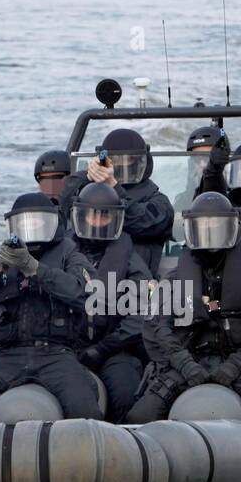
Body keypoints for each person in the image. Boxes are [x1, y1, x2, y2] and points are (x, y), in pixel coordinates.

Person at [126, 192, 241, 424]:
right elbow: (158, 327)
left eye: (218, 226)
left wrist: (235, 365)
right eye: (205, 227)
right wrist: (186, 365)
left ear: (232, 228)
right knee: (138, 417)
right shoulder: (174, 279)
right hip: (188, 361)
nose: (211, 234)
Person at [0, 192, 101, 424]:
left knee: (84, 409)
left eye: (37, 222)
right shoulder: (8, 256)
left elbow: (85, 294)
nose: (31, 227)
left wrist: (34, 269)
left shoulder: (70, 254)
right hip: (8, 354)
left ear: (52, 222)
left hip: (56, 354)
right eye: (25, 223)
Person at [70, 181, 151, 422]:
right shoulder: (63, 253)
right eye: (91, 216)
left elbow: (143, 313)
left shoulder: (130, 261)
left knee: (126, 392)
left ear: (115, 219)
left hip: (113, 347)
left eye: (104, 217)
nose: (96, 222)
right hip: (66, 346)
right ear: (79, 216)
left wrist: (103, 348)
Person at [61, 128, 174, 275]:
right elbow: (64, 206)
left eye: (129, 160)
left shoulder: (157, 201)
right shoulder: (89, 189)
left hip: (133, 279)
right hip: (82, 274)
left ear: (143, 161)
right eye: (115, 160)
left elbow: (143, 221)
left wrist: (114, 186)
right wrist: (88, 175)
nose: (122, 165)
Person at [171, 126, 231, 245]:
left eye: (209, 158)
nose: (203, 164)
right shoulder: (183, 199)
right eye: (197, 159)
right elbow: (174, 234)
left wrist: (213, 172)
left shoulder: (236, 197)